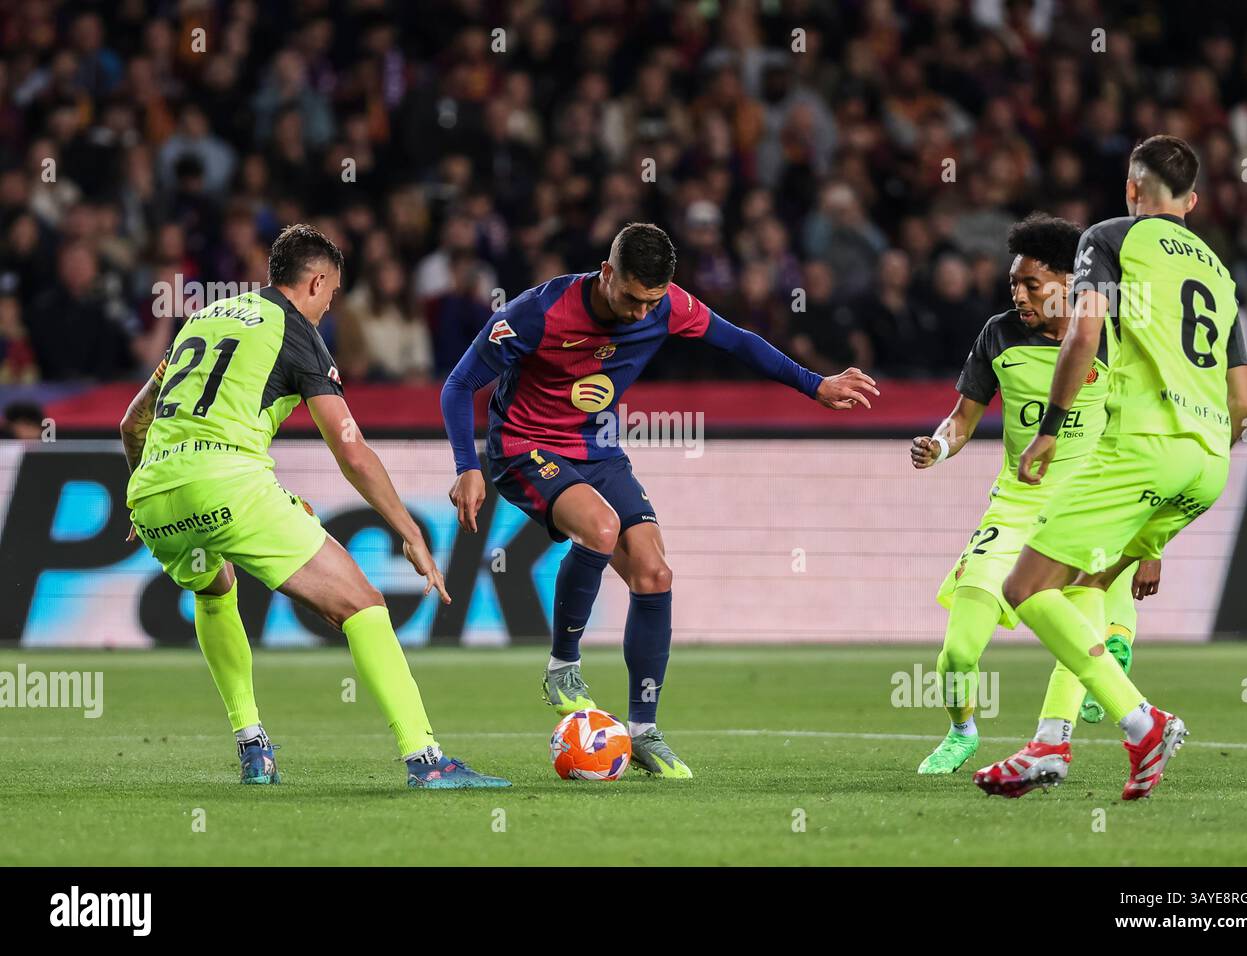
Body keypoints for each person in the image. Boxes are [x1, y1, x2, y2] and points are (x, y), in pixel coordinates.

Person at [440, 222, 877, 778]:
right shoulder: (536, 312)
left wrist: (815, 384)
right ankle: (563, 667)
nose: (641, 314)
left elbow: (739, 341)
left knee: (654, 574)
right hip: (523, 447)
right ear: (606, 273)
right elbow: (457, 386)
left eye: (651, 302)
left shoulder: (668, 306)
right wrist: (466, 467)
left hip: (598, 451)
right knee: (599, 529)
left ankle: (643, 731)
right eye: (630, 297)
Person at [121, 223, 509, 790]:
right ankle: (426, 760)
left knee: (214, 589)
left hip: (153, 491)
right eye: (331, 293)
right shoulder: (295, 330)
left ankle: (253, 745)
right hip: (227, 483)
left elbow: (133, 422)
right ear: (318, 280)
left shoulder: (203, 320)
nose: (330, 306)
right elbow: (350, 449)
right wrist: (409, 531)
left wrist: (147, 495)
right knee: (363, 605)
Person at [983, 136, 1247, 800]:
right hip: (1208, 463)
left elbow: (1082, 333)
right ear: (1190, 202)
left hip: (1143, 448)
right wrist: (1156, 529)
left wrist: (1049, 429)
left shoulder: (1113, 237)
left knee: (1024, 588)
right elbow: (1244, 400)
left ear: (1133, 190)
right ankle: (1050, 740)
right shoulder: (1220, 275)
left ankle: (1143, 724)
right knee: (1088, 584)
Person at [910, 214, 1163, 782]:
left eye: (1032, 285)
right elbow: (962, 418)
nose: (1019, 296)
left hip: (1088, 513)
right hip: (1014, 509)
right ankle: (961, 730)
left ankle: (1054, 744)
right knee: (956, 654)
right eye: (1013, 285)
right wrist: (938, 447)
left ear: (1071, 282)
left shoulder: (1115, 338)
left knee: (1080, 643)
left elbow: (1141, 438)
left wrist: (1152, 543)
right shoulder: (998, 334)